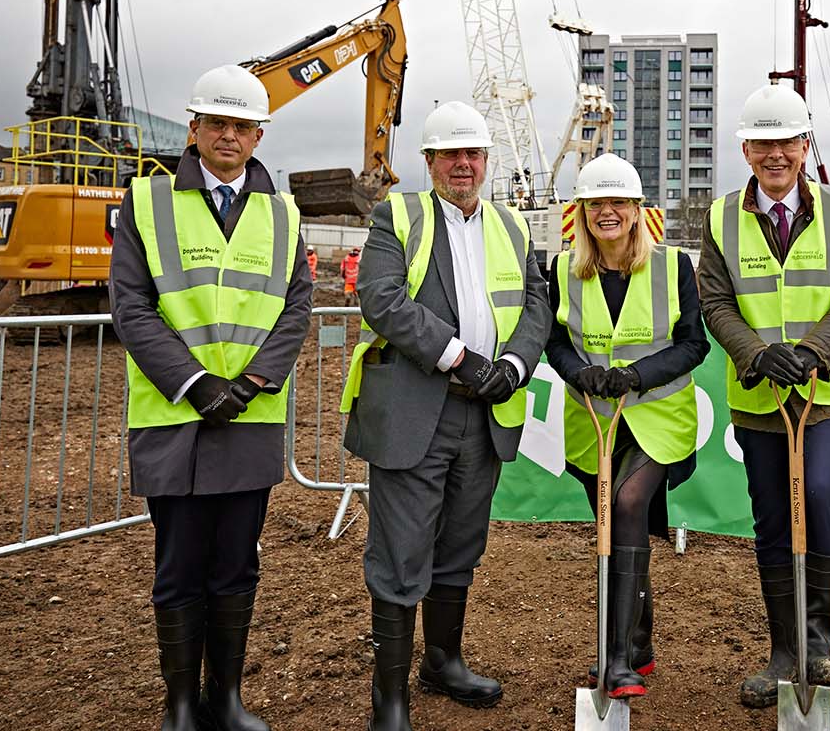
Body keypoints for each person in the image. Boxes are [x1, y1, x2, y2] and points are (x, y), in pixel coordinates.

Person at [110, 64, 313, 731]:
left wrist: (252, 383)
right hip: (175, 418)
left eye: (242, 126)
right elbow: (133, 310)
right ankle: (179, 707)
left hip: (248, 418)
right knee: (178, 567)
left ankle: (224, 699)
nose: (229, 135)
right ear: (193, 129)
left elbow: (295, 308)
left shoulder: (282, 215)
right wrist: (196, 383)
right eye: (216, 123)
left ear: (259, 136)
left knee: (236, 566)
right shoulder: (148, 201)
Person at [342, 101, 553, 731]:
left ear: (488, 160)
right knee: (402, 552)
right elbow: (380, 297)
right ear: (429, 161)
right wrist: (461, 358)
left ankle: (442, 659)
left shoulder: (512, 227)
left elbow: (538, 302)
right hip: (416, 411)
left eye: (473, 154)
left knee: (461, 542)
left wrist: (512, 366)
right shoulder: (397, 216)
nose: (463, 164)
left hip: (483, 413)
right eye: (449, 155)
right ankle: (390, 698)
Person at [698, 83, 830, 709]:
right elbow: (714, 301)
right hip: (759, 396)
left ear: (806, 145)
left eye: (788, 142)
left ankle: (818, 641)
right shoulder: (721, 216)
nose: (777, 154)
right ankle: (783, 650)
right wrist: (755, 354)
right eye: (763, 143)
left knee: (821, 493)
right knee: (773, 514)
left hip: (826, 390)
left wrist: (813, 351)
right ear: (746, 149)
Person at [543, 154, 708, 700]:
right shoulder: (563, 270)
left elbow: (693, 344)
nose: (607, 213)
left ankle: (613, 660)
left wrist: (637, 374)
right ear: (583, 211)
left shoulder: (673, 266)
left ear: (637, 210)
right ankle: (638, 644)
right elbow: (555, 342)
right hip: (594, 422)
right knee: (613, 527)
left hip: (659, 417)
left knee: (631, 504)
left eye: (618, 203)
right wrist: (579, 372)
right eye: (596, 204)